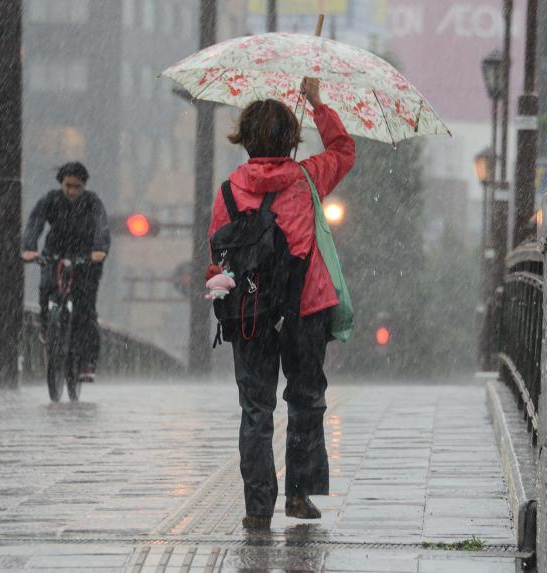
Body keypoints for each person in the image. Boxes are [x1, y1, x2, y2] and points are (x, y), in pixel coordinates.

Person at [208, 78, 355, 530]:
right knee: (306, 400)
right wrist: (317, 104)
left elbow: (216, 257)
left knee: (256, 408)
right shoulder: (307, 178)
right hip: (303, 309)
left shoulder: (230, 190)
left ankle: (257, 506)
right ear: (291, 140)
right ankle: (298, 495)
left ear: (246, 138)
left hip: (250, 312)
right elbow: (344, 150)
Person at [22, 162, 110, 383]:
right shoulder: (50, 200)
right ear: (61, 183)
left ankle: (88, 362)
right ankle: (47, 325)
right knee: (46, 288)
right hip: (55, 251)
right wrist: (29, 247)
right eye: (68, 185)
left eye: (77, 186)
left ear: (84, 186)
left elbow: (102, 226)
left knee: (85, 307)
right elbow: (35, 223)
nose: (72, 191)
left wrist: (99, 249)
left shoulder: (93, 203)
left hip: (86, 257)